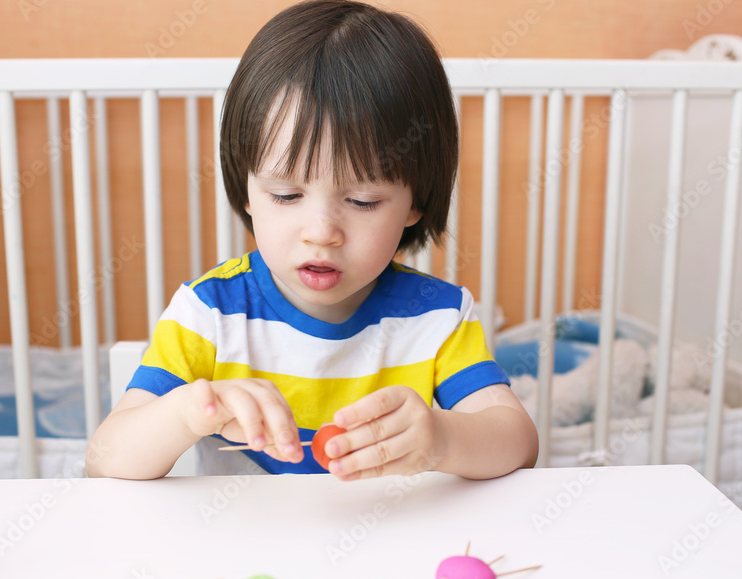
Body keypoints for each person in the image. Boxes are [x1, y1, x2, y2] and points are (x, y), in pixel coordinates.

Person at [86, 0, 538, 480]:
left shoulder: (436, 318)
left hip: (394, 542)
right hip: (242, 548)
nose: (321, 231)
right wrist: (186, 414)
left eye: (363, 200)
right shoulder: (209, 315)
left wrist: (441, 439)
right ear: (245, 190)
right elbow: (103, 460)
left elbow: (517, 441)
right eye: (286, 194)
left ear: (415, 202)